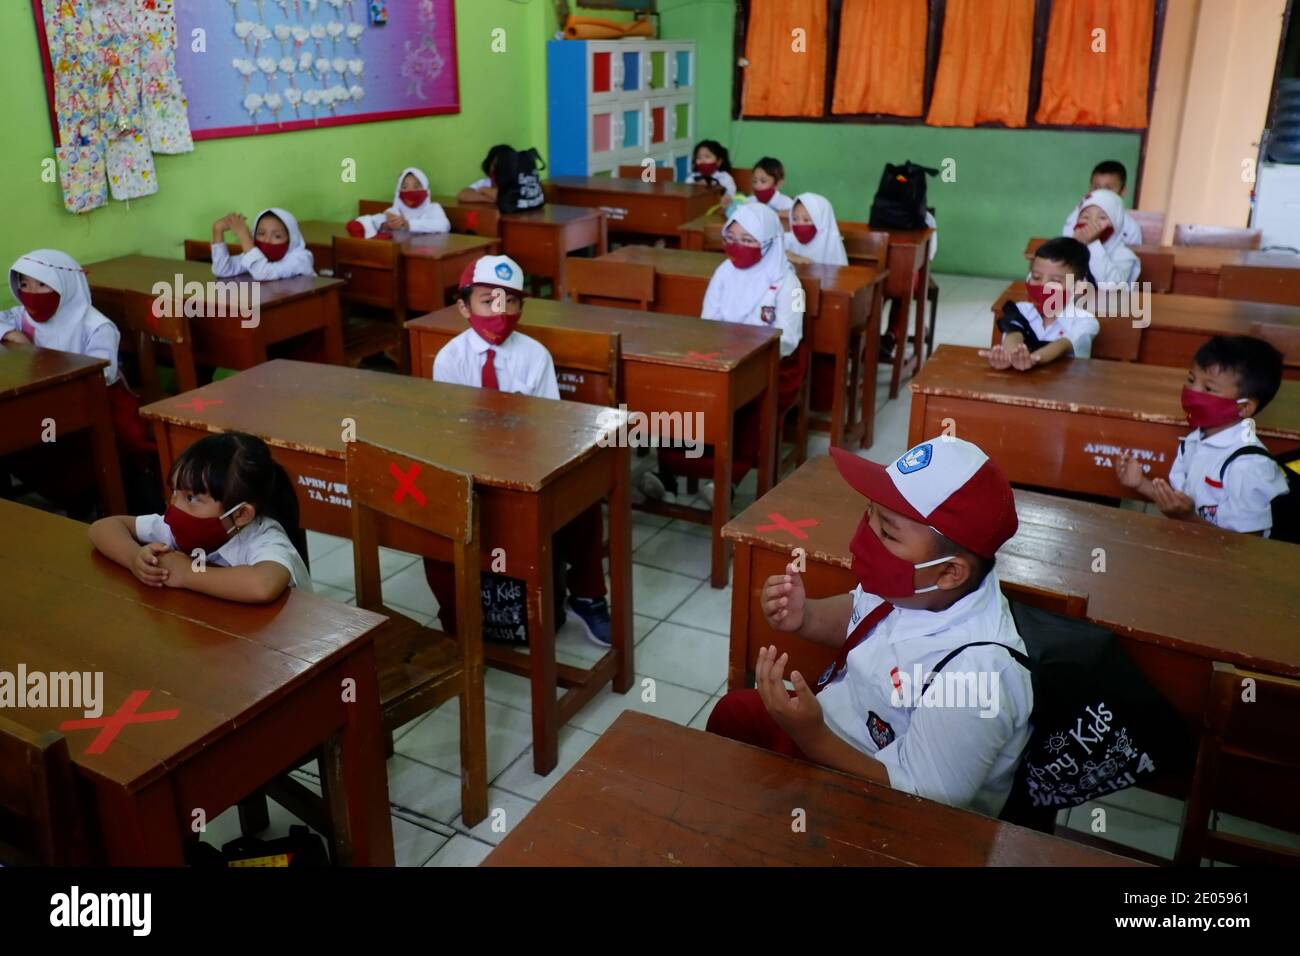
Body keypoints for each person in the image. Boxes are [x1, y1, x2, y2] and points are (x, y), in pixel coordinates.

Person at [708, 437, 1032, 816]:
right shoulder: (915, 585)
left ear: (949, 572)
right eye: (870, 514)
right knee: (735, 715)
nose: (866, 533)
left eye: (888, 532)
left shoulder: (977, 677)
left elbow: (922, 803)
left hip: (881, 805)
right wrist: (805, 616)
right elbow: (861, 613)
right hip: (831, 732)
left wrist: (812, 737)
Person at [1116, 335, 1288, 535]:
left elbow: (1247, 545)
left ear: (1244, 407)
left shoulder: (1248, 464)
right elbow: (1179, 502)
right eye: (1191, 379)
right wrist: (1141, 483)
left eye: (1208, 388)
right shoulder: (1194, 440)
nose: (1192, 391)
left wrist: (1187, 518)